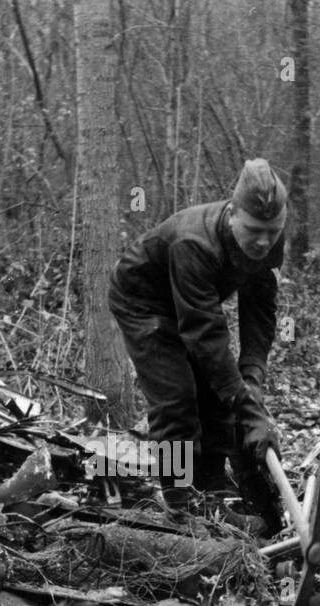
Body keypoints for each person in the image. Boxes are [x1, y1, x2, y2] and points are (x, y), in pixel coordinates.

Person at [108, 159, 286, 529]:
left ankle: (211, 501)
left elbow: (260, 310)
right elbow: (205, 334)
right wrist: (246, 405)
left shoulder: (269, 234)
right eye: (254, 230)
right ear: (232, 213)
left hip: (191, 304)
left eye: (272, 231)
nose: (264, 241)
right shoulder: (194, 243)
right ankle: (178, 506)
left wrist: (251, 380)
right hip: (144, 302)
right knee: (176, 401)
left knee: (218, 401)